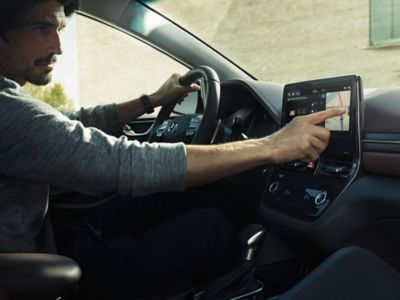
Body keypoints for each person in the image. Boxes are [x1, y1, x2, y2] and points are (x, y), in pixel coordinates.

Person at [0, 0, 345, 299]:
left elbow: (72, 121)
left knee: (171, 200)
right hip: (30, 273)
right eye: (42, 27)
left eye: (60, 28)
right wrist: (272, 146)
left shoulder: (12, 104)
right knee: (208, 231)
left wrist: (152, 100)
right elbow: (123, 162)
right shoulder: (6, 109)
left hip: (51, 239)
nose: (58, 45)